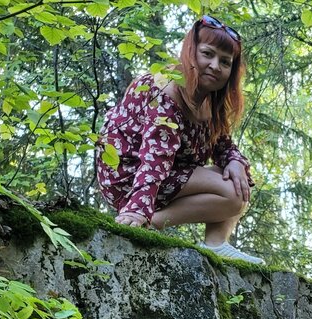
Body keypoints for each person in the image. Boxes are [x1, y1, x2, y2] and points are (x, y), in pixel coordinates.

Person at [97, 15, 264, 265]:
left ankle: (217, 244)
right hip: (130, 177)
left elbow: (224, 146)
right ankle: (150, 221)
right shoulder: (167, 89)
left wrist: (235, 162)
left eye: (225, 62)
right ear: (190, 52)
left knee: (238, 181)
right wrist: (137, 208)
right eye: (208, 54)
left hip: (166, 174)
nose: (216, 66)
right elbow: (155, 156)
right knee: (232, 191)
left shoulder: (209, 102)